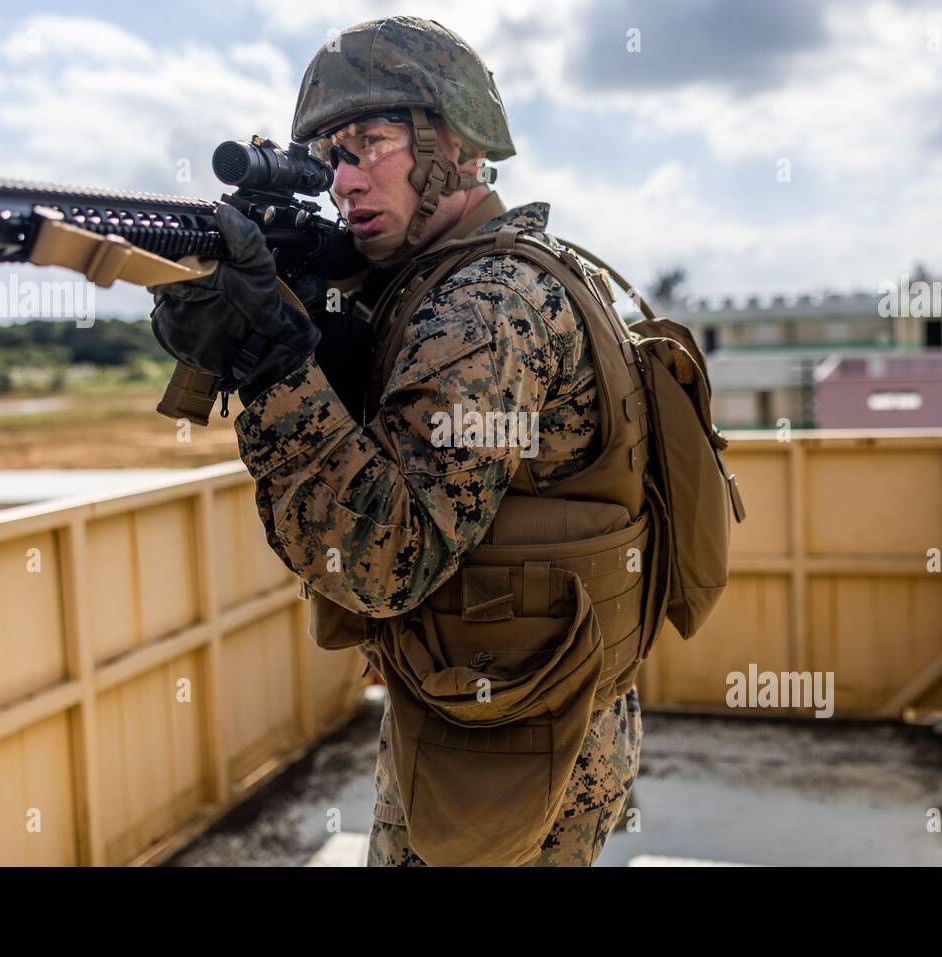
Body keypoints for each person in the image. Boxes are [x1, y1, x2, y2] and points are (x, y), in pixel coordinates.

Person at [149, 15, 649, 867]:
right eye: (329, 156)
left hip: (509, 746)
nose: (341, 181)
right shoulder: (503, 266)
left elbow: (383, 558)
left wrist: (275, 363)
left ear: (452, 144)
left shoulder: (483, 307)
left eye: (368, 143)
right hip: (536, 704)